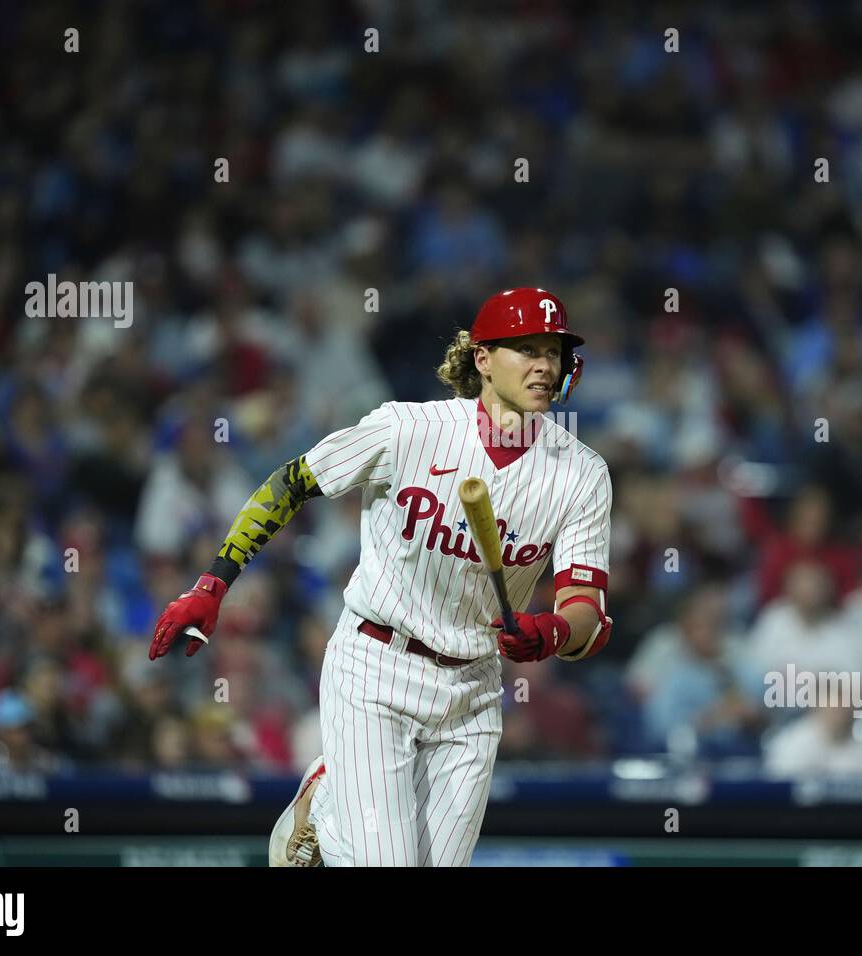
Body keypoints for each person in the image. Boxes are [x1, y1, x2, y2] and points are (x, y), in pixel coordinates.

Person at [148, 288, 613, 867]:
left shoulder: (581, 475)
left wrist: (552, 633)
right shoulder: (408, 429)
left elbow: (586, 610)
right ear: (482, 359)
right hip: (377, 665)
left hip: (472, 690)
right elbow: (291, 483)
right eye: (526, 349)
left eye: (553, 351)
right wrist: (213, 584)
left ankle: (332, 802)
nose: (544, 364)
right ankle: (326, 800)